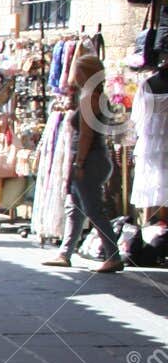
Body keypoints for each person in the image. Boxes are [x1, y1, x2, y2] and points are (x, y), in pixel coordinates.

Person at [43, 54, 124, 273]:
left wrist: (78, 163)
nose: (74, 75)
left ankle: (113, 255)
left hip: (89, 159)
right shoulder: (96, 96)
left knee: (92, 209)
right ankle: (65, 252)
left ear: (85, 73)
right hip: (91, 158)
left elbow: (87, 134)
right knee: (75, 207)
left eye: (77, 71)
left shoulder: (89, 97)